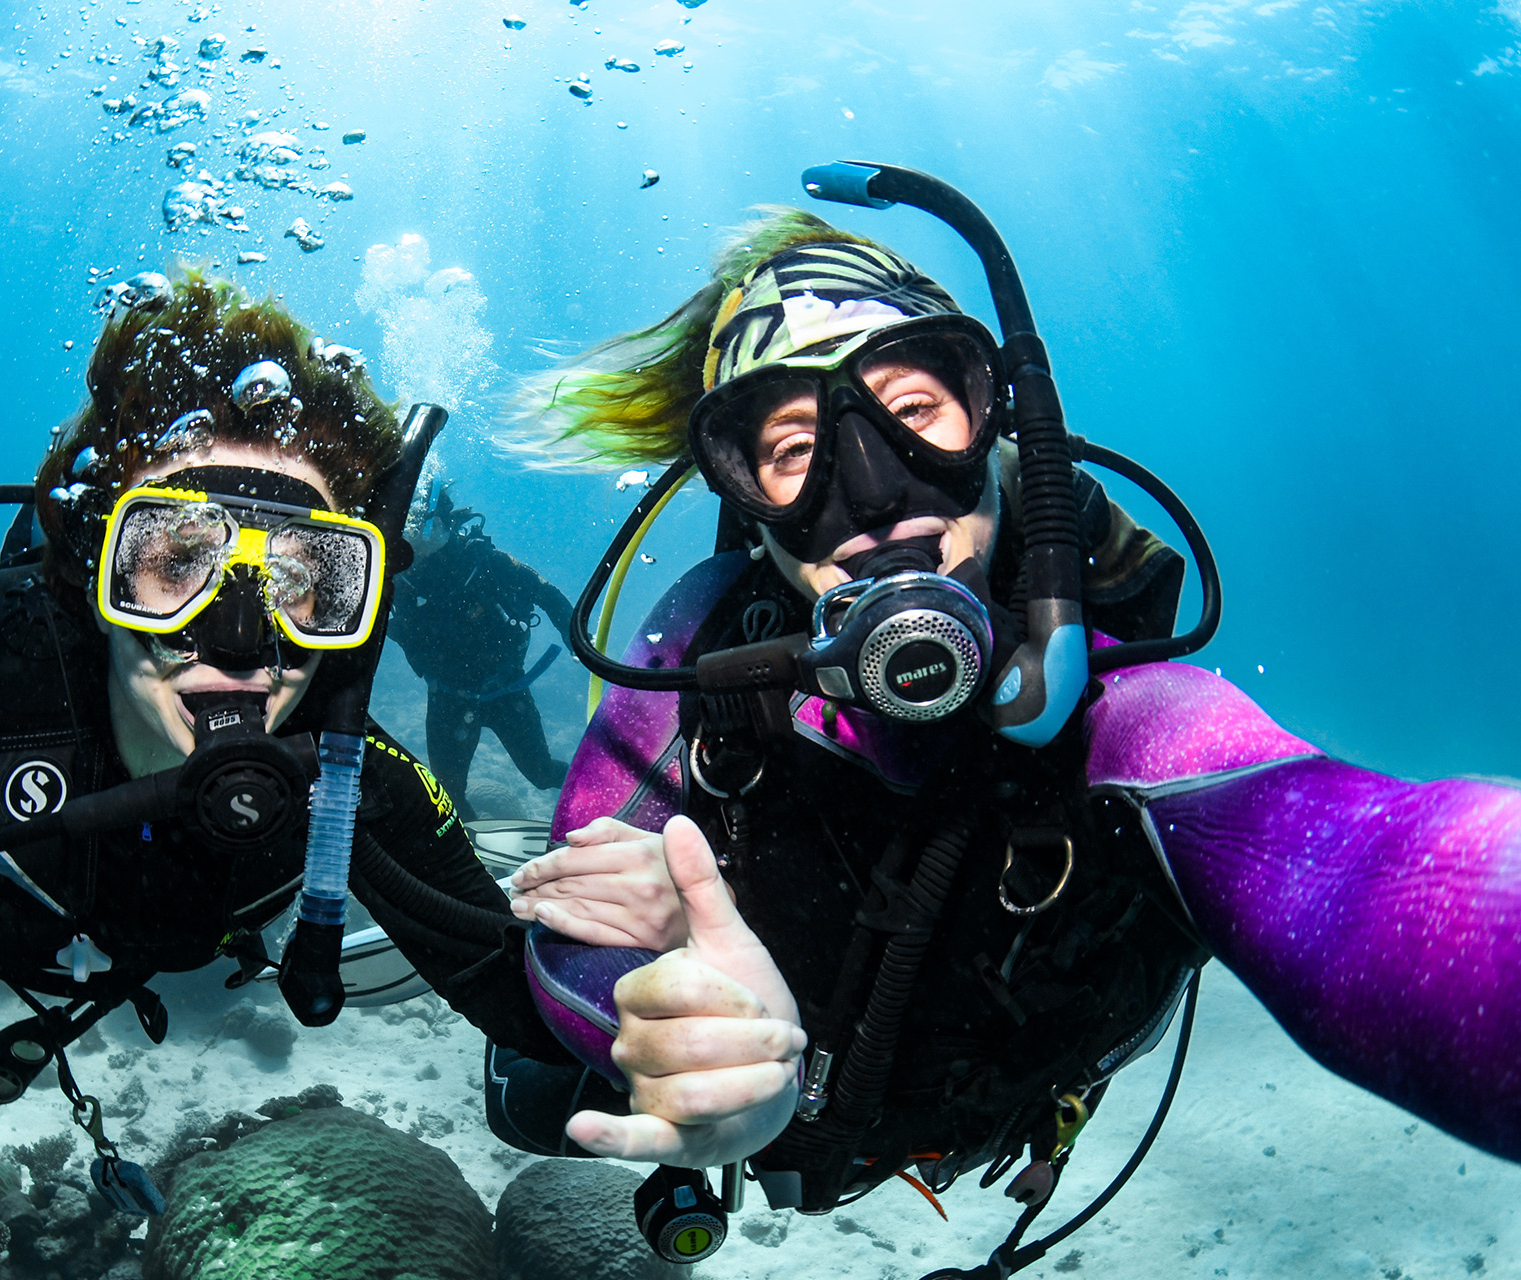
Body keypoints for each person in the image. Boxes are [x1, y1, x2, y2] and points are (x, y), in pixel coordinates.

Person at [496, 201, 1521, 1272]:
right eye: (795, 445)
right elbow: (576, 913)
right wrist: (669, 1032)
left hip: (1017, 1092)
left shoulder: (1134, 712)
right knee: (530, 1095)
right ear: (749, 508)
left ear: (998, 427)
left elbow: (1361, 863)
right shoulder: (697, 669)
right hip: (804, 1120)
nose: (875, 490)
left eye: (915, 407)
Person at [0, 272, 572, 1201]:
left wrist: (663, 1027)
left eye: (297, 579)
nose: (242, 642)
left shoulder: (352, 775)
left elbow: (509, 981)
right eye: (176, 562)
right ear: (96, 573)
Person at [386, 485, 575, 816]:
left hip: (506, 692)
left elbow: (548, 594)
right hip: (447, 699)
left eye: (427, 529)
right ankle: (473, 861)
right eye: (411, 533)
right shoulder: (400, 580)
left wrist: (580, 643)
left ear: (446, 524)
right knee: (449, 797)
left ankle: (612, 796)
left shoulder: (485, 560)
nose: (420, 542)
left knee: (542, 773)